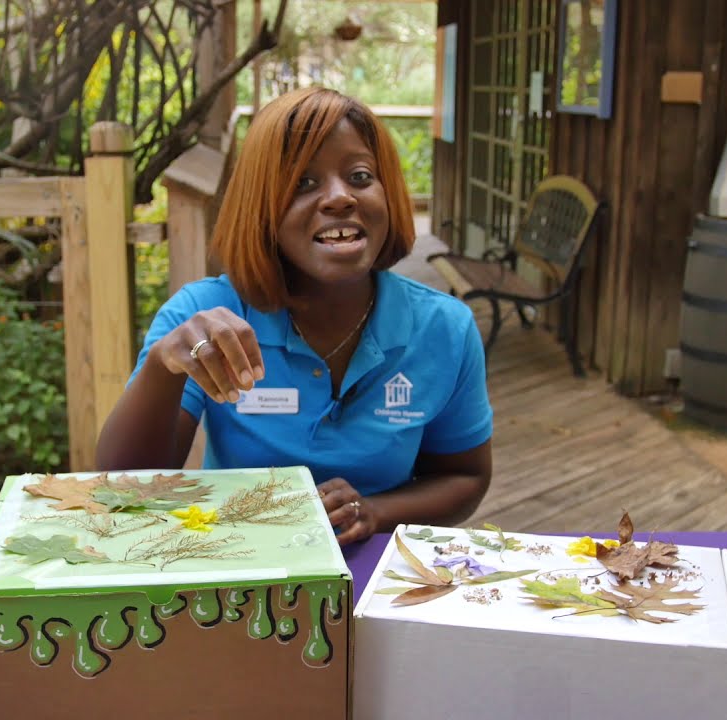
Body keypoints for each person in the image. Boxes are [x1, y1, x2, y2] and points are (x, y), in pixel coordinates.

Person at [95, 87, 492, 546]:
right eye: (303, 183)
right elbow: (122, 488)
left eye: (361, 176)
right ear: (260, 207)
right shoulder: (203, 315)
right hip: (238, 565)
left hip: (375, 569)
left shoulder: (445, 329)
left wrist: (376, 512)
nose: (340, 198)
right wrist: (165, 367)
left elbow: (465, 477)